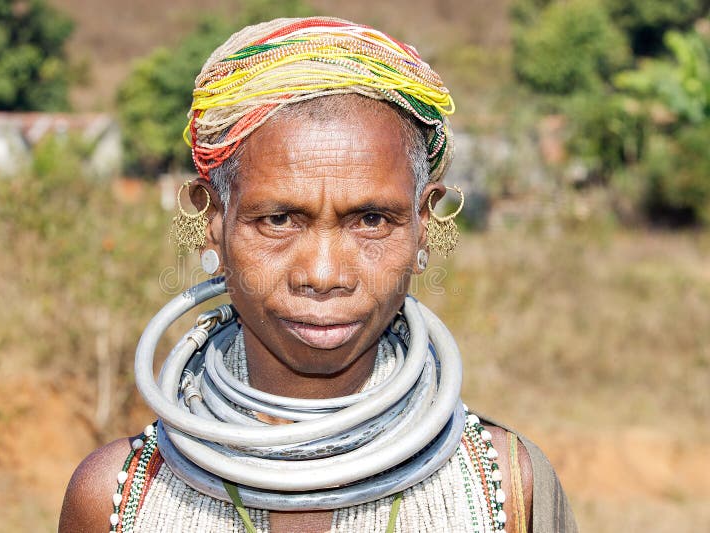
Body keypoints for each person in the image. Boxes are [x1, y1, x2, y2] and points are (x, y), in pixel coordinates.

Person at [59, 17, 577, 533]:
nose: (324, 274)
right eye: (278, 220)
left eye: (372, 220)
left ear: (423, 223)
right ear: (214, 219)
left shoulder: (506, 491)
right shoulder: (120, 497)